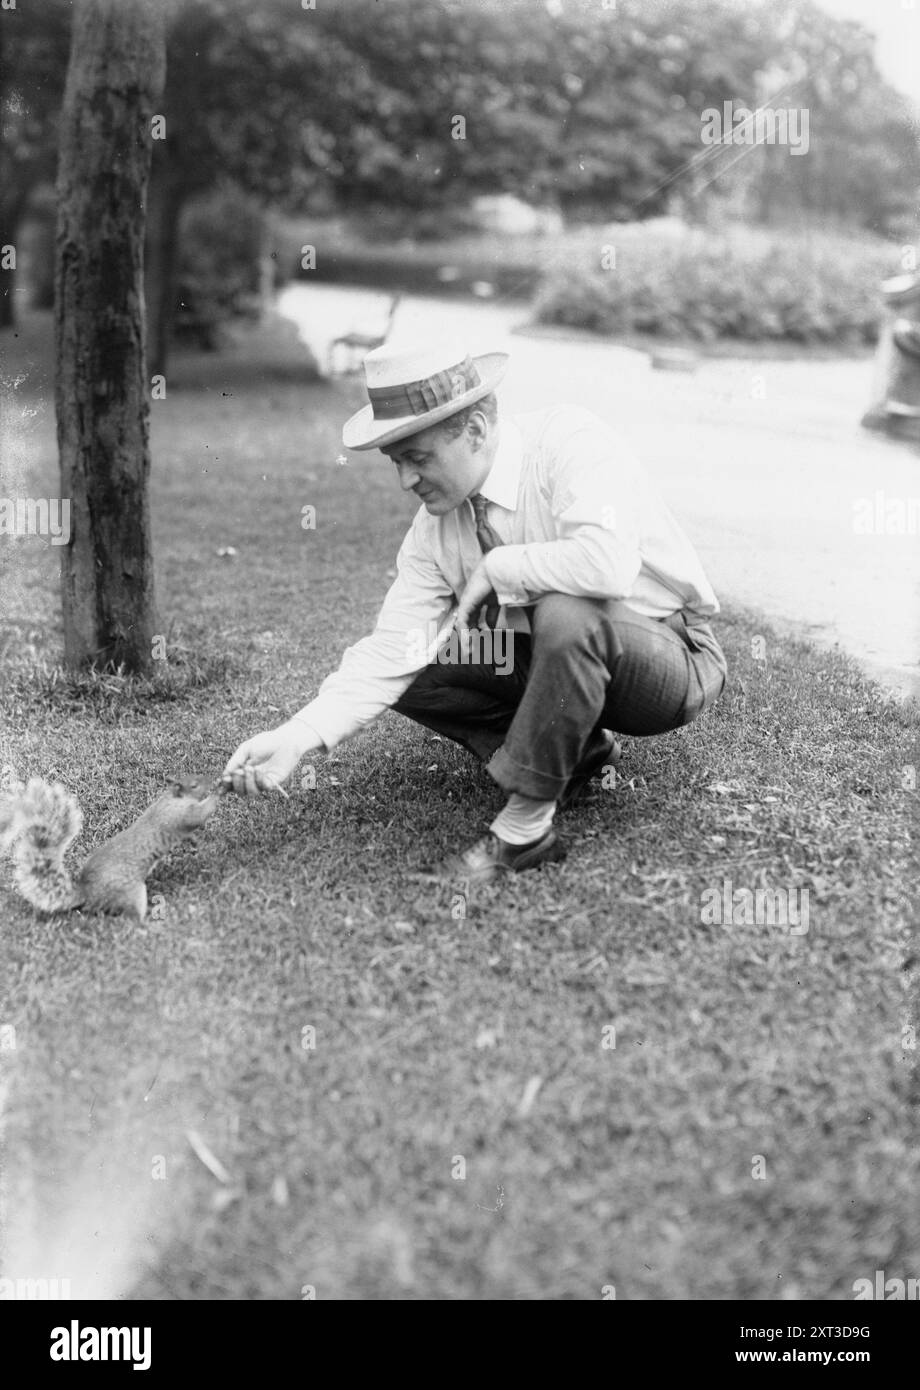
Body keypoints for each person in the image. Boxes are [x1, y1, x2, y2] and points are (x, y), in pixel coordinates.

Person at [223, 339, 727, 883]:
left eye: (418, 459)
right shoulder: (433, 529)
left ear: (477, 431)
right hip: (550, 659)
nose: (406, 482)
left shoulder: (568, 442)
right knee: (416, 663)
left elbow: (606, 567)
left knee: (567, 607)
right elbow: (395, 649)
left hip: (666, 655)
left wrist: (501, 567)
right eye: (397, 463)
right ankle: (570, 755)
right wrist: (298, 735)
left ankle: (526, 829)